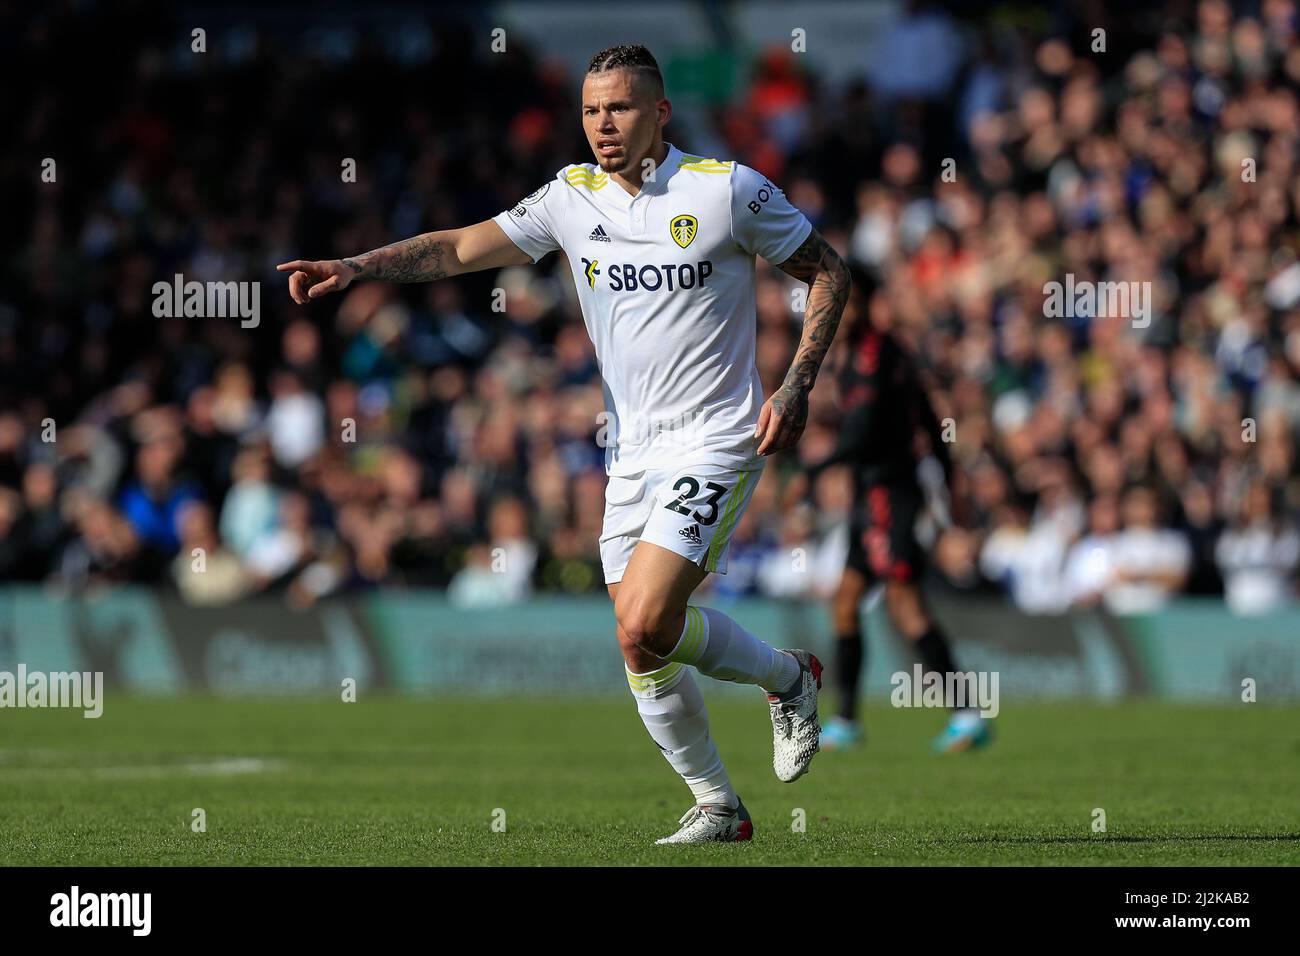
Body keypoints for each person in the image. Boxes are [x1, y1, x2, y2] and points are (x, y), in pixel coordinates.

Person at [277, 44, 852, 844]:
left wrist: (796, 385)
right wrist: (356, 265)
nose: (602, 126)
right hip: (631, 451)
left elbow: (828, 271)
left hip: (716, 436)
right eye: (590, 110)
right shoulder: (569, 199)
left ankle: (788, 682)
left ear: (660, 113)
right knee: (638, 637)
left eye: (618, 108)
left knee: (651, 614)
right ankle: (723, 796)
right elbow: (459, 248)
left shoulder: (727, 191)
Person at [811, 279, 991, 753]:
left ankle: (969, 714)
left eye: (840, 302)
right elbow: (929, 418)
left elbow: (868, 425)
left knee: (906, 607)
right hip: (872, 495)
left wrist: (818, 464)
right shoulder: (870, 352)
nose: (833, 310)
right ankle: (847, 720)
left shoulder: (873, 352)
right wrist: (948, 481)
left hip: (888, 496)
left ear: (862, 304)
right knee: (847, 601)